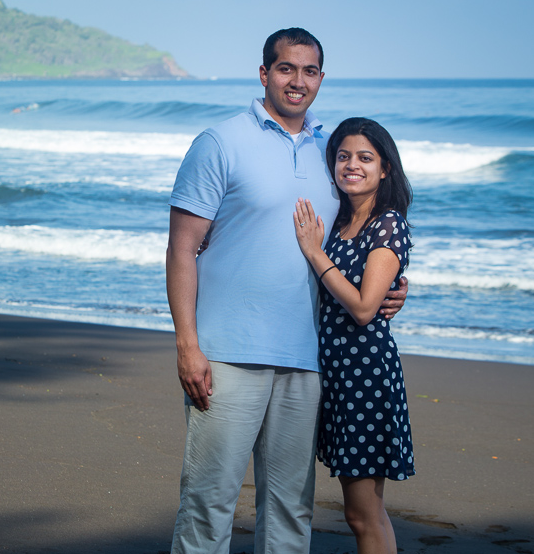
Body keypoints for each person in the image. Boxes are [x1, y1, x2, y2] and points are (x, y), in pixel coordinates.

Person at [166, 28, 408, 554]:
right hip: (227, 354)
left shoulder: (331, 152)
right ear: (264, 74)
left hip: (307, 358)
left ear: (321, 78)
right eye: (286, 69)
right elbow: (182, 248)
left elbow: (359, 240)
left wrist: (393, 286)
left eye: (309, 71)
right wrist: (188, 345)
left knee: (290, 512)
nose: (297, 81)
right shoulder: (220, 142)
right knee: (209, 505)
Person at [293, 117, 414, 554]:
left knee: (363, 514)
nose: (352, 165)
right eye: (343, 156)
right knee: (363, 512)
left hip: (364, 375)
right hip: (335, 371)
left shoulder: (387, 224)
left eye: (365, 157)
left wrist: (314, 252)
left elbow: (364, 308)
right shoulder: (341, 218)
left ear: (385, 169)